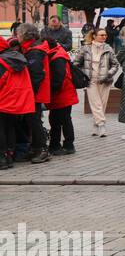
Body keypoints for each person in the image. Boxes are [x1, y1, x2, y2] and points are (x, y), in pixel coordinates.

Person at [74, 27, 121, 137]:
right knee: (96, 103)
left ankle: (95, 125)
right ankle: (102, 124)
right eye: (101, 35)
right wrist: (84, 74)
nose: (104, 37)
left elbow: (115, 64)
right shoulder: (86, 48)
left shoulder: (108, 48)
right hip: (91, 81)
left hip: (105, 80)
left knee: (102, 104)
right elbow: (76, 63)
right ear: (94, 36)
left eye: (105, 35)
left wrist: (109, 73)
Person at [14, 23, 49, 163]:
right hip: (34, 92)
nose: (17, 37)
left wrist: (30, 94)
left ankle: (42, 149)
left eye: (18, 34)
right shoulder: (32, 48)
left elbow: (36, 75)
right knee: (32, 120)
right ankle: (36, 148)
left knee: (33, 120)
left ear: (25, 35)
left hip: (34, 93)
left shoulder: (34, 51)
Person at [0, 37, 35, 169]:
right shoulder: (19, 58)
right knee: (9, 127)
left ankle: (2, 157)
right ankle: (9, 155)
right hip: (17, 100)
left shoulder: (2, 61)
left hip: (3, 99)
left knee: (1, 129)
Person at [45, 36, 78, 155]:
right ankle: (58, 145)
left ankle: (67, 145)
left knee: (60, 120)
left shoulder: (57, 57)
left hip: (62, 94)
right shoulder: (58, 53)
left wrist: (51, 92)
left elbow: (58, 79)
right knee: (59, 119)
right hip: (64, 93)